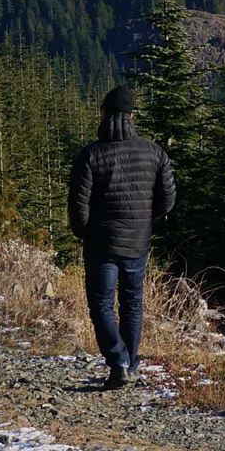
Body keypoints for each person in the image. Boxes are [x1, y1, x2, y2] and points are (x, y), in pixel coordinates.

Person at [68, 85, 176, 390]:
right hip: (137, 242)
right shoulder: (154, 152)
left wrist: (85, 233)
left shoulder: (90, 155)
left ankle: (119, 363)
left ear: (104, 115)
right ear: (131, 116)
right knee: (132, 302)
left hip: (100, 244)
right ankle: (132, 363)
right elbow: (168, 199)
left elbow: (78, 206)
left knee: (101, 304)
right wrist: (144, 220)